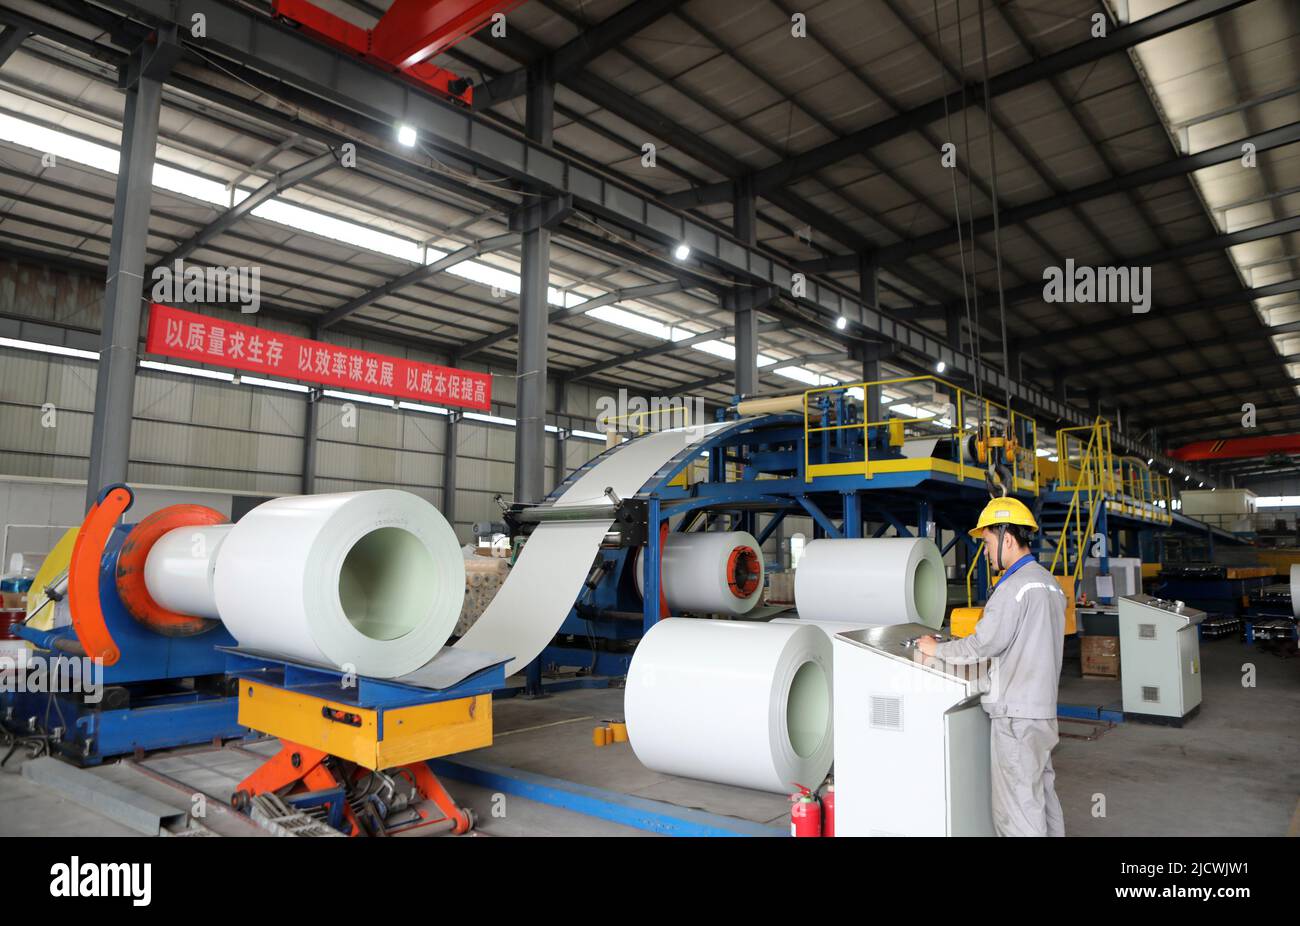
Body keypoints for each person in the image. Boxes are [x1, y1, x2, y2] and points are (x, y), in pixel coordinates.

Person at [916, 496, 1066, 837]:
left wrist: (936, 649)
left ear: (1007, 539)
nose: (984, 552)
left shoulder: (1013, 588)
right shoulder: (1049, 583)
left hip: (1016, 716)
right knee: (1042, 795)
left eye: (987, 542)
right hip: (1042, 711)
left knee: (1017, 811)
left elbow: (983, 644)